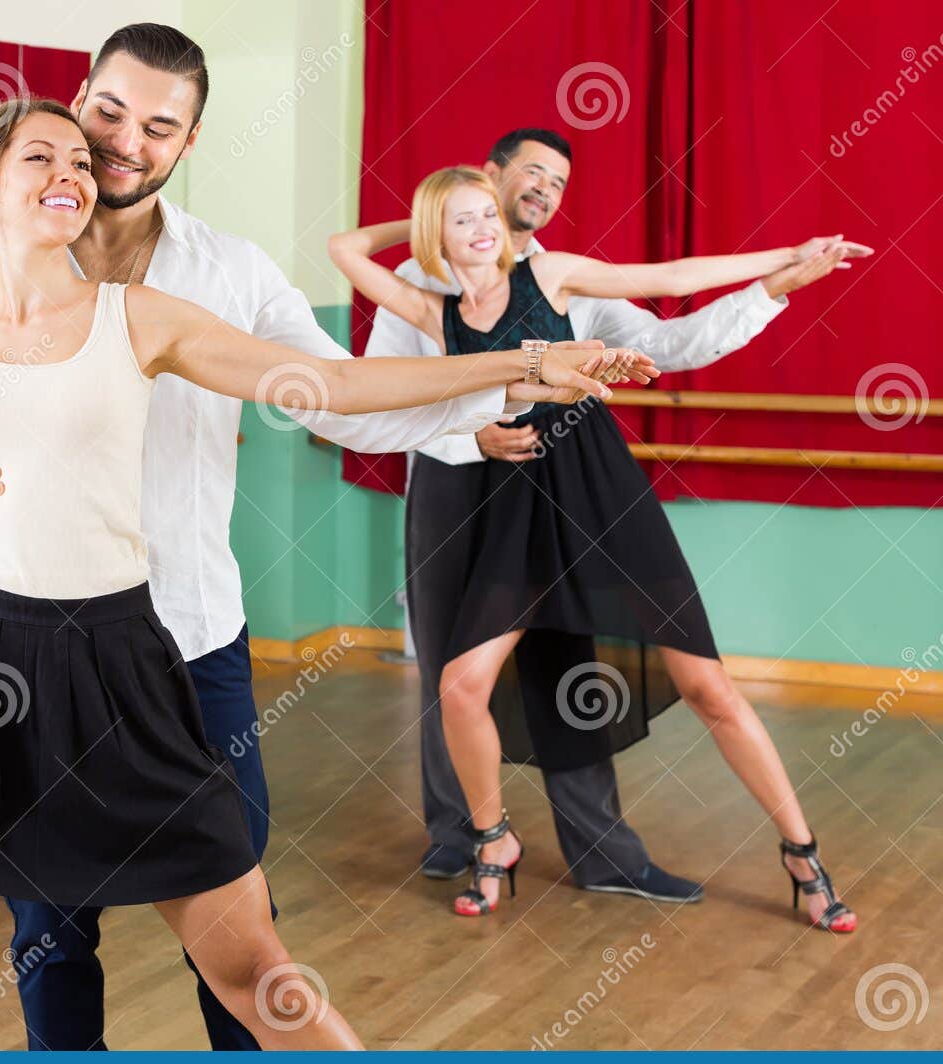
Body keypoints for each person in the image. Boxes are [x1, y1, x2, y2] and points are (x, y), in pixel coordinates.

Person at [0, 96, 649, 1048]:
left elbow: (333, 386)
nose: (75, 175)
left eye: (83, 166)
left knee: (257, 973)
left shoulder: (140, 319)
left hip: (113, 665)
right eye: (47, 160)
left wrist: (521, 360)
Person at [330, 163, 866, 933]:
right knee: (458, 685)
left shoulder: (552, 274)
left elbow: (671, 274)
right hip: (515, 506)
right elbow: (343, 248)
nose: (486, 228)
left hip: (602, 493)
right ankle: (493, 838)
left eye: (489, 212)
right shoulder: (429, 307)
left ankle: (802, 851)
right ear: (435, 239)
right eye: (463, 220)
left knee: (710, 686)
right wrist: (421, 214)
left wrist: (783, 262)